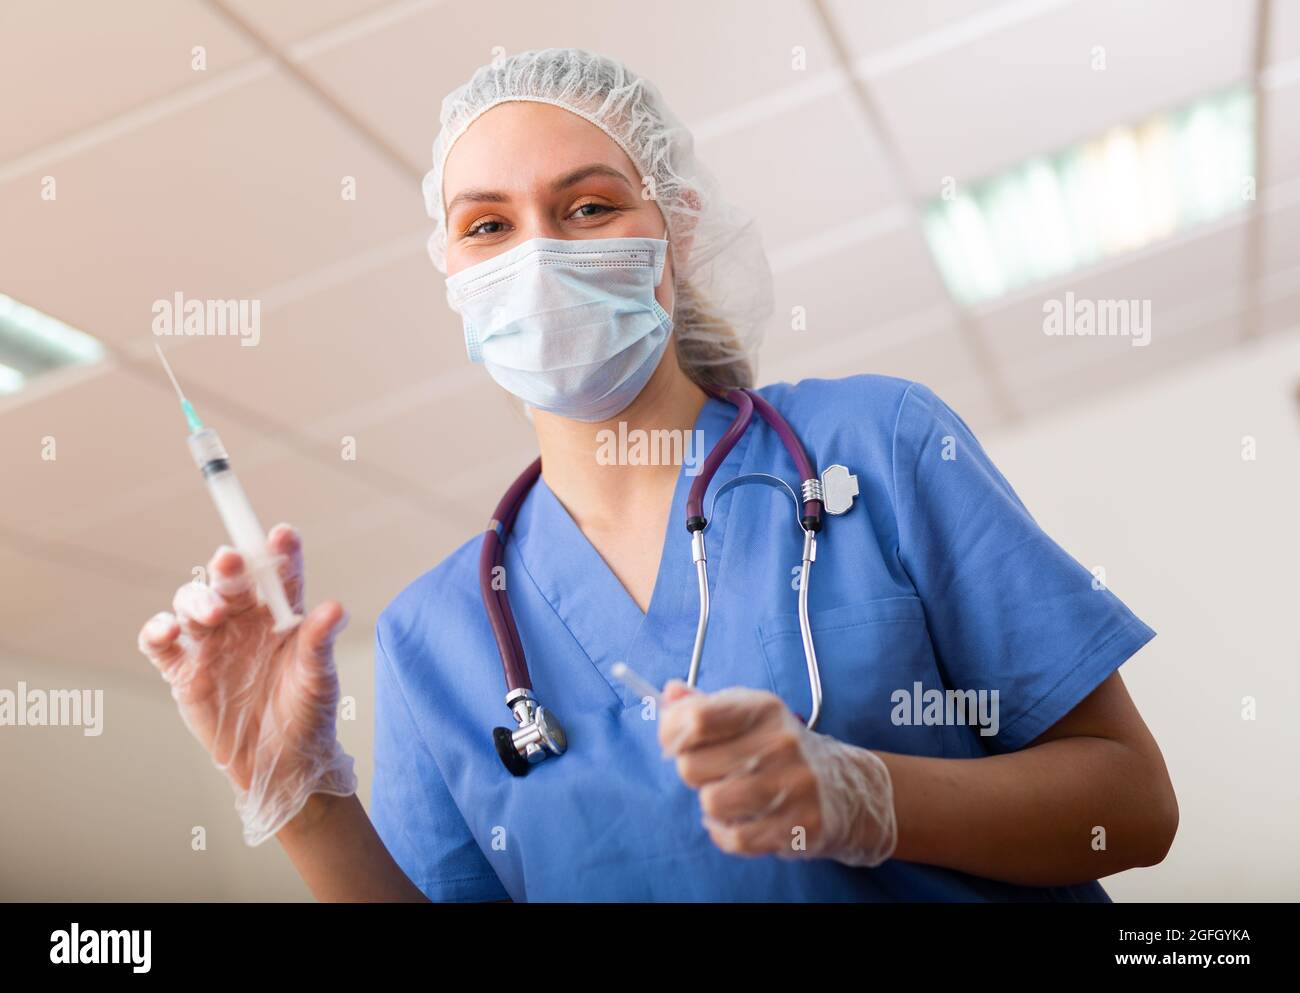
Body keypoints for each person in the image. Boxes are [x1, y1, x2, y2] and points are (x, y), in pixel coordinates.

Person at [136, 48, 1177, 902]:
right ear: (452, 275)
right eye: (487, 225)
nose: (538, 256)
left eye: (588, 207)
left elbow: (1131, 808)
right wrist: (302, 802)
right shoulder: (432, 638)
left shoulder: (880, 442)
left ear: (673, 233)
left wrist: (865, 797)